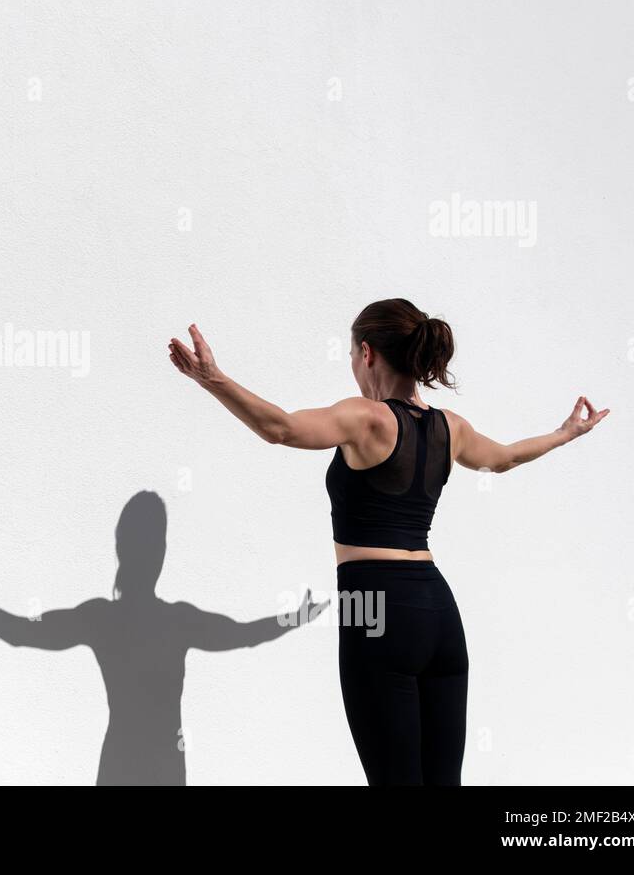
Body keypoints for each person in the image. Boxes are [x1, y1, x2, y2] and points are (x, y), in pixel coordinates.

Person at [167, 298, 609, 784]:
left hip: (372, 605)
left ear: (368, 352)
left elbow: (281, 429)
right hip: (438, 609)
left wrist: (214, 380)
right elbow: (502, 458)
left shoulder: (367, 418)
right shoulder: (449, 427)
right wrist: (565, 433)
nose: (353, 367)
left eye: (352, 357)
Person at [0, 490, 325, 784]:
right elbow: (244, 635)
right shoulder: (175, 622)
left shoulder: (103, 620)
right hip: (157, 770)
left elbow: (17, 632)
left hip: (126, 768)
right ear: (159, 553)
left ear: (122, 548)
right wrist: (296, 618)